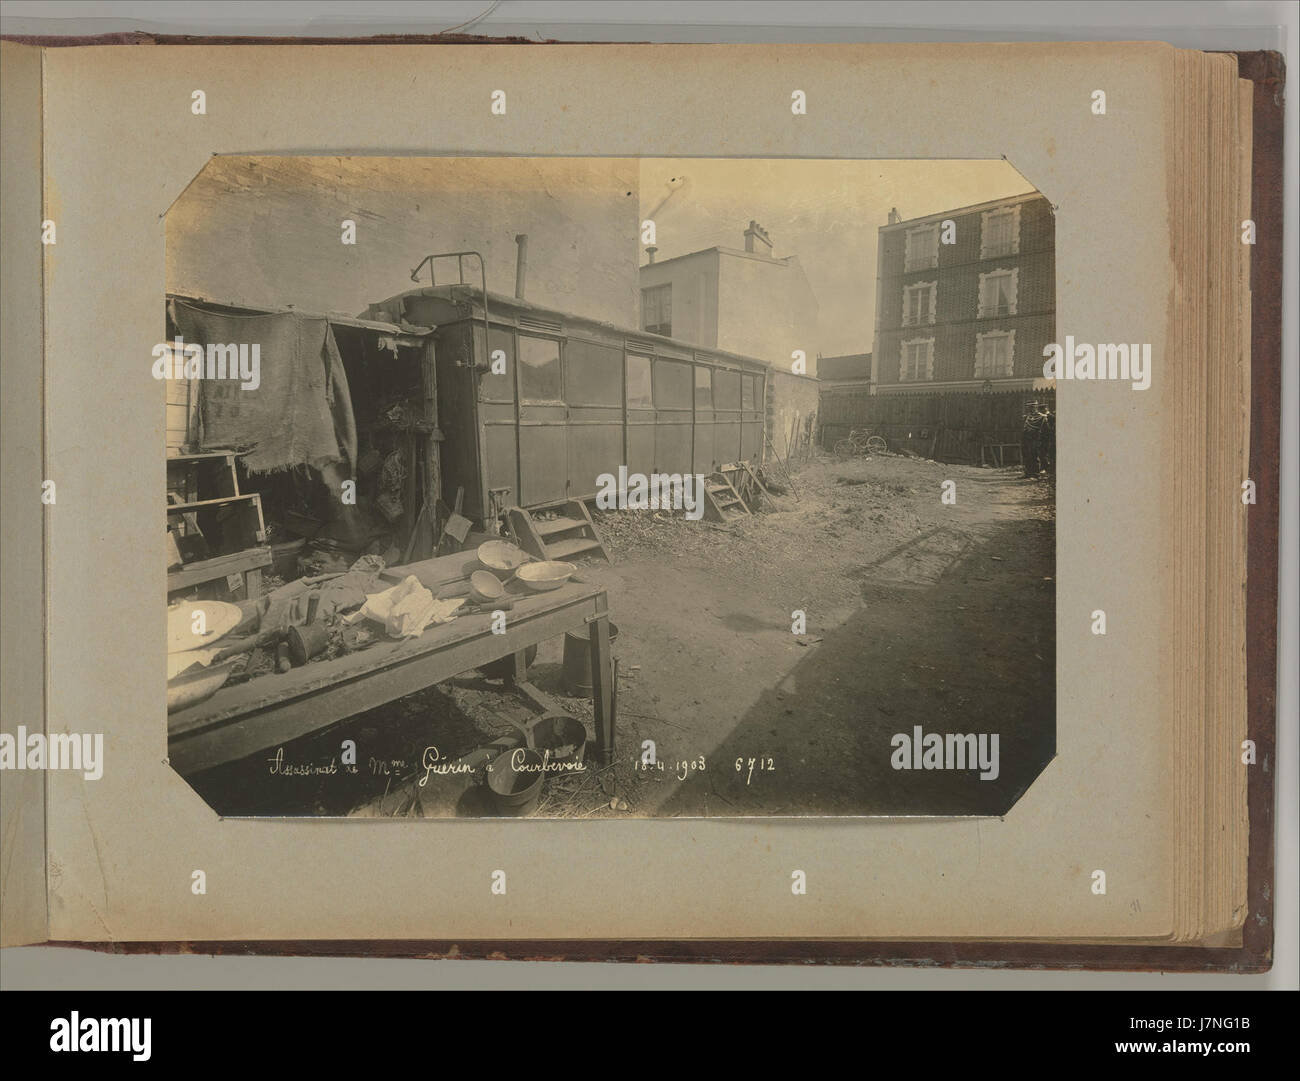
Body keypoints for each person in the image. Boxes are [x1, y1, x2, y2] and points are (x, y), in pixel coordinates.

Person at [1021, 400, 1044, 477]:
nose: (1030, 409)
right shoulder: (1026, 417)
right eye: (1029, 407)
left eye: (1032, 407)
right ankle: (1028, 473)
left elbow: (1044, 430)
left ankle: (1036, 473)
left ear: (1036, 407)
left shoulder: (1042, 417)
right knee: (1027, 455)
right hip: (1027, 439)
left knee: (1035, 455)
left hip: (1036, 439)